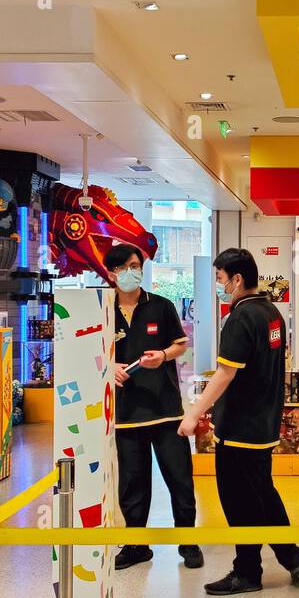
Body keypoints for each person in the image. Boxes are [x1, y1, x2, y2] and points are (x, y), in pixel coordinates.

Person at [179, 248, 299, 595]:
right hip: (264, 422)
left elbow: (225, 374)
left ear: (237, 279)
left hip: (239, 427)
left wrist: (194, 412)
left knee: (238, 501)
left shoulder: (239, 319)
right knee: (262, 490)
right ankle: (290, 554)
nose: (220, 286)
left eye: (221, 279)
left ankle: (248, 572)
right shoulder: (272, 314)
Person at [106, 244, 203, 571]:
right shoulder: (102, 310)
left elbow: (180, 344)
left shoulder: (160, 306)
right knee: (132, 482)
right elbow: (89, 352)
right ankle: (136, 545)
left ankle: (188, 542)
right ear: (112, 273)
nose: (133, 272)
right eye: (126, 267)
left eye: (137, 266)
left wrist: (162, 356)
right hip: (126, 414)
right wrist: (109, 366)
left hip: (166, 410)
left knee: (180, 478)